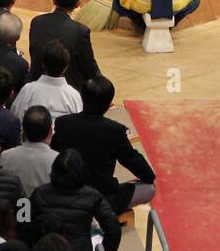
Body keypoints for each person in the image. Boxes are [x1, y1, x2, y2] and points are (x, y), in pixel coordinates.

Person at [52, 76, 156, 213]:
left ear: (82, 97)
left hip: (67, 193)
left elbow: (51, 154)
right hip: (102, 198)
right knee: (149, 188)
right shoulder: (115, 130)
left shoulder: (63, 123)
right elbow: (137, 165)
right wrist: (149, 176)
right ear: (109, 105)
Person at [29, 0, 100, 92]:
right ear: (78, 3)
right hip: (68, 89)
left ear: (54, 0)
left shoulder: (36, 22)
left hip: (35, 82)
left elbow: (33, 53)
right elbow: (89, 68)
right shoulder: (80, 31)